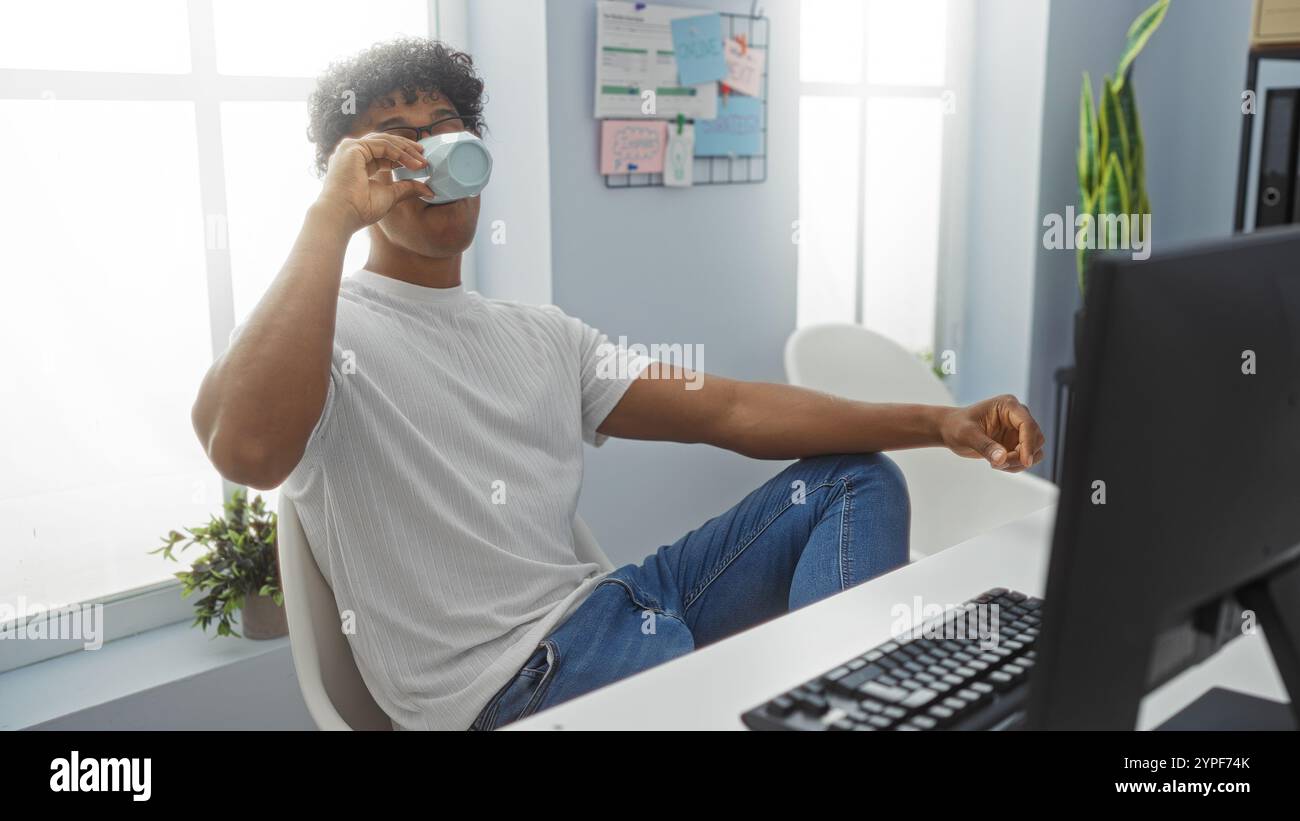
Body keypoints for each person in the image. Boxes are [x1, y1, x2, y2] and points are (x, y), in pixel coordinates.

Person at [191, 38, 1046, 730]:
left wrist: (939, 421)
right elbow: (248, 449)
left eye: (443, 129)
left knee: (854, 480)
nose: (424, 159)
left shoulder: (538, 334)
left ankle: (850, 710)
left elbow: (735, 408)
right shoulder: (321, 333)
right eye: (391, 141)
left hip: (628, 602)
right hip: (524, 684)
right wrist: (329, 217)